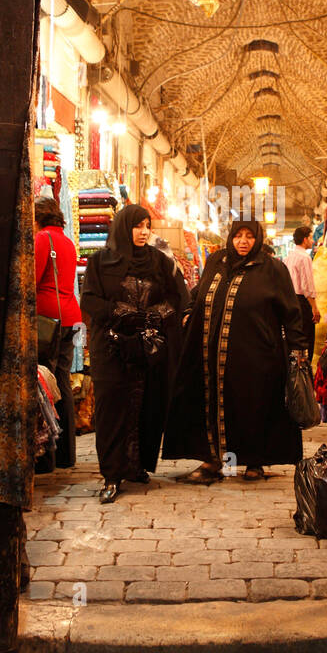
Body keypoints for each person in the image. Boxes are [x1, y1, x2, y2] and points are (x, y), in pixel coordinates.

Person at [162, 219, 309, 483]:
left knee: (253, 406)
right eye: (238, 235)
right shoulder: (217, 262)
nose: (243, 241)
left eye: (249, 236)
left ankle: (255, 461)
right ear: (230, 237)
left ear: (258, 239)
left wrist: (298, 348)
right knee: (211, 405)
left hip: (256, 356)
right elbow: (200, 291)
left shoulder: (273, 269)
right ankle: (212, 460)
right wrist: (188, 311)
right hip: (210, 354)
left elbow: (291, 311)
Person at [80, 204, 188, 503]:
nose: (143, 232)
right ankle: (112, 474)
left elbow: (176, 296)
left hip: (148, 347)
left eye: (146, 226)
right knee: (112, 409)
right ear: (122, 228)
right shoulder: (101, 262)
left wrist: (155, 315)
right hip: (113, 348)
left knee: (147, 405)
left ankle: (137, 465)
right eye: (137, 226)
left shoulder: (158, 261)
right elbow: (89, 299)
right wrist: (119, 314)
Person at [35, 197, 81, 472]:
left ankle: (46, 457)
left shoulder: (43, 239)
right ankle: (66, 454)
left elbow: (33, 277)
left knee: (45, 383)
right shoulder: (66, 241)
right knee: (62, 382)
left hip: (47, 321)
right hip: (70, 317)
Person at [285, 224, 321, 361]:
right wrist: (314, 308)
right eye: (311, 238)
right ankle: (304, 373)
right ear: (305, 239)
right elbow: (307, 287)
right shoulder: (304, 257)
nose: (313, 241)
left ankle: (294, 370)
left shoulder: (289, 257)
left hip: (290, 301)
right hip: (302, 302)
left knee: (295, 338)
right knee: (306, 339)